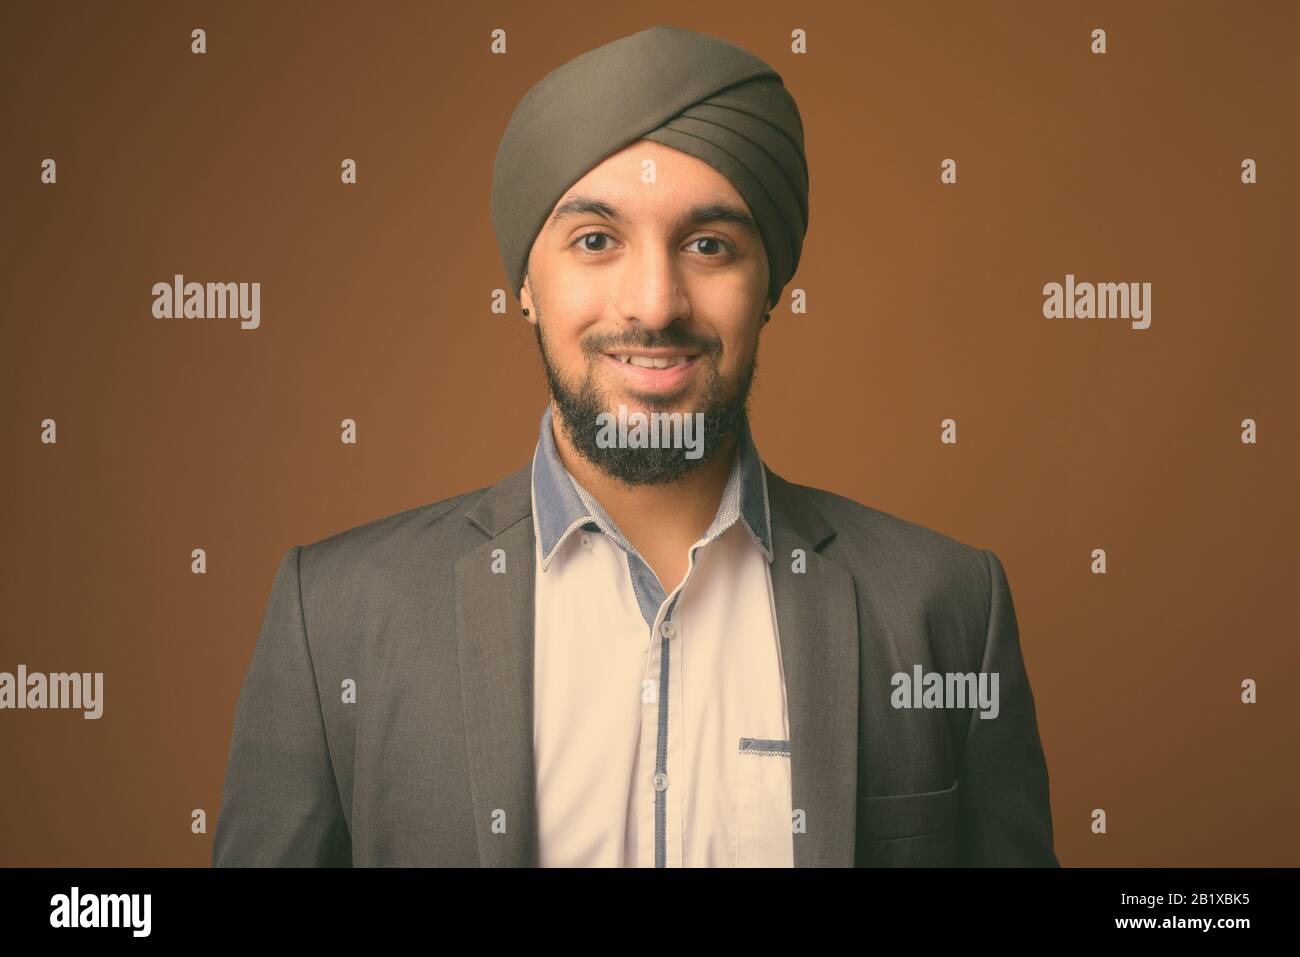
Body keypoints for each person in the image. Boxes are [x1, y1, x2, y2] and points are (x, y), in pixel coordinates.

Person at [212, 24, 1057, 867]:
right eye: (596, 241)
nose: (655, 305)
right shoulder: (335, 621)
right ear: (525, 285)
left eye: (709, 245)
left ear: (769, 286)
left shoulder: (945, 607)